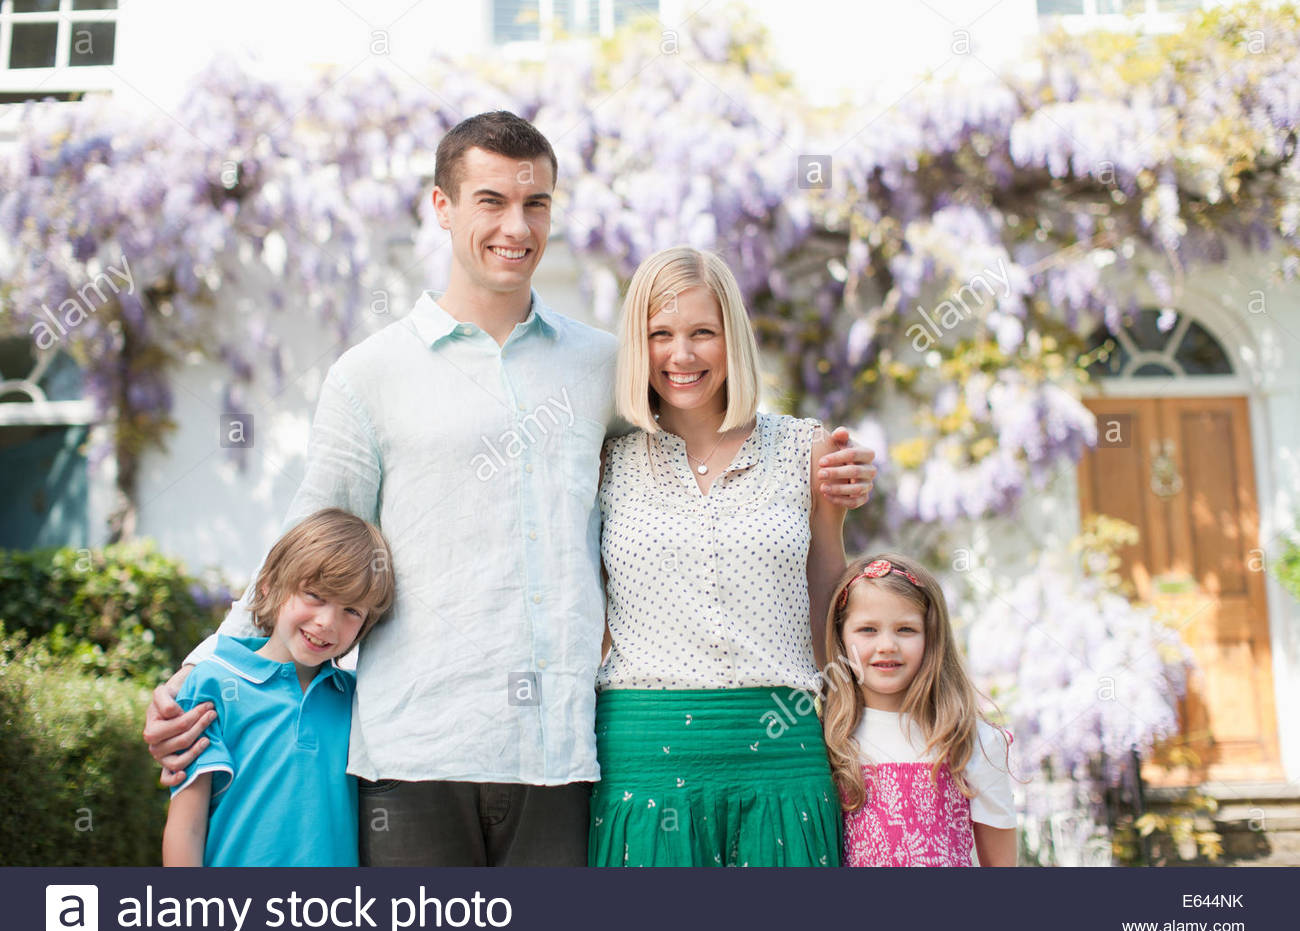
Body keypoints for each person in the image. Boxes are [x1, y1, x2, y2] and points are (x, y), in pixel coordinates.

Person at [143, 111, 878, 866]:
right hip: (414, 753)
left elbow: (710, 424)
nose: (515, 226)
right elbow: (305, 544)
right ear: (442, 207)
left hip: (560, 757)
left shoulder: (603, 369)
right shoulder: (370, 375)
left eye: (535, 204)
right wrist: (203, 670)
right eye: (490, 201)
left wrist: (818, 463)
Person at [589, 247, 847, 867]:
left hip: (784, 748)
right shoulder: (605, 461)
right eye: (661, 335)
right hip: (644, 758)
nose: (682, 355)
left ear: (733, 338)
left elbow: (828, 598)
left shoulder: (804, 448)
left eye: (703, 332)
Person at [161, 508, 394, 866]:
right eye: (315, 595)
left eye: (352, 611)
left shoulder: (357, 699)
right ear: (269, 585)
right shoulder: (211, 684)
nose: (327, 622)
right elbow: (186, 829)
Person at [821, 554, 1017, 867]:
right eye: (868, 630)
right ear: (841, 637)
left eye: (906, 630)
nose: (887, 645)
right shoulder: (827, 740)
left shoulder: (972, 741)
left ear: (932, 637)